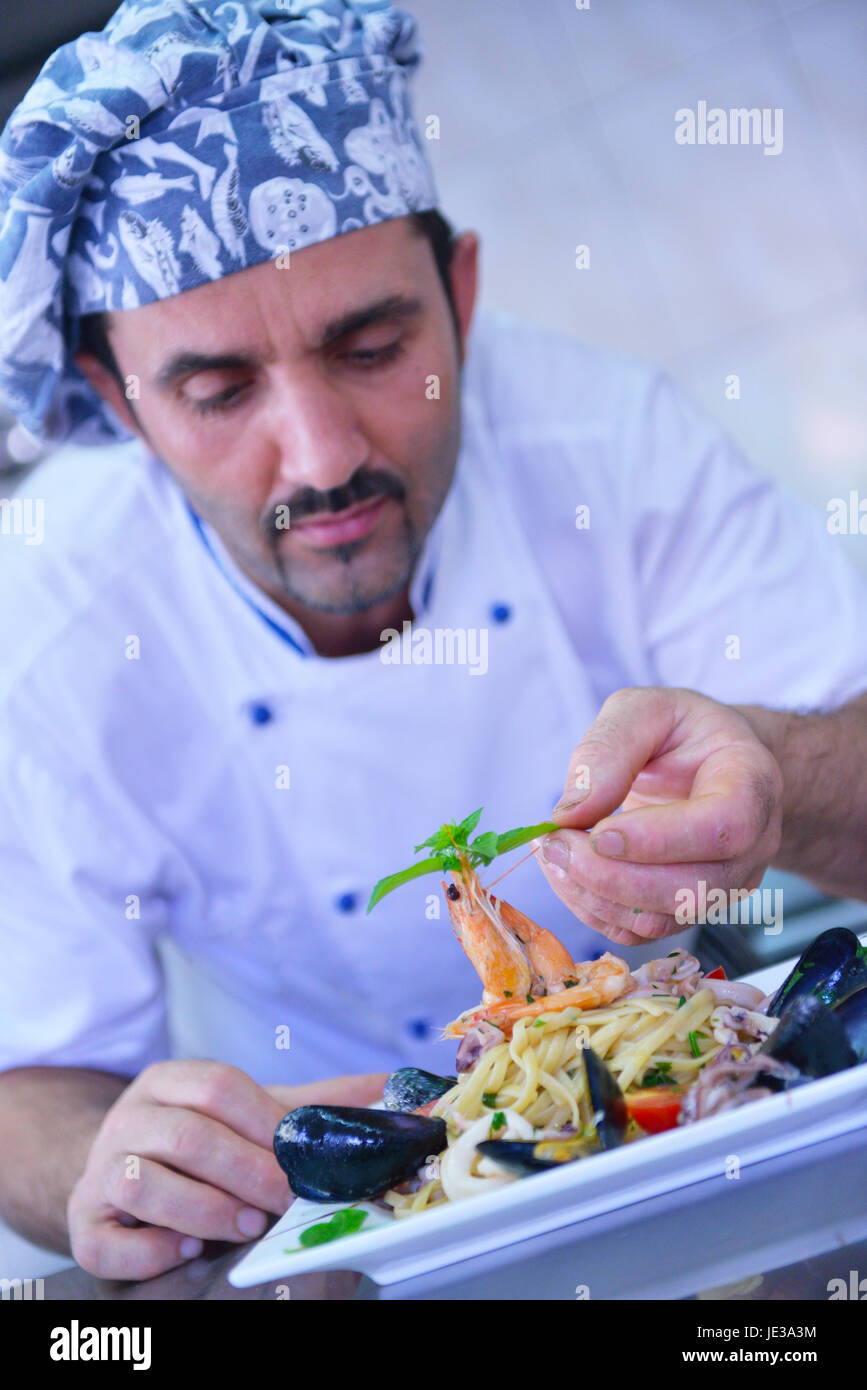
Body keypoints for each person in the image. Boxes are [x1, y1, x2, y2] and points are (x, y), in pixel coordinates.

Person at [0, 0, 865, 1279]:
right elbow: (30, 1075)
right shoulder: (47, 620)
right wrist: (112, 1164)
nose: (326, 454)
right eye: (219, 388)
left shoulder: (609, 447)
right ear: (116, 399)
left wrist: (776, 781)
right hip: (335, 1236)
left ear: (460, 292)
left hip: (684, 1143)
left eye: (371, 345)